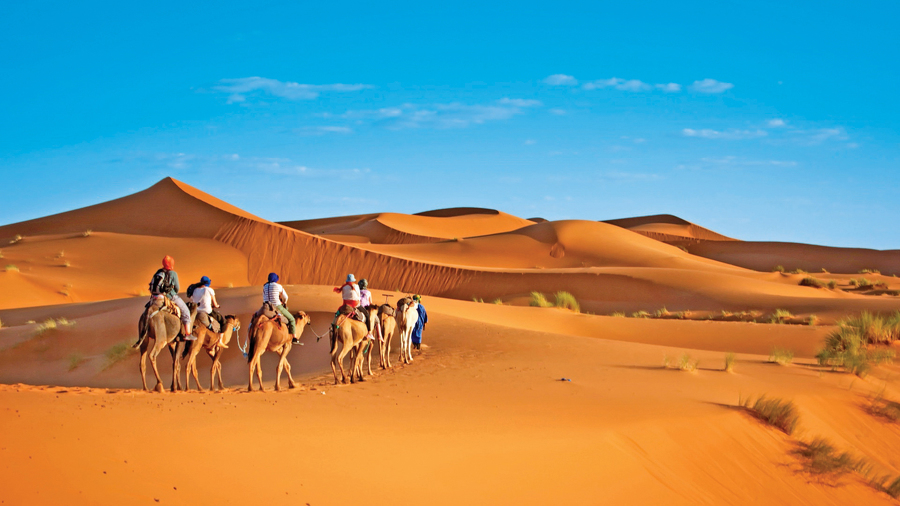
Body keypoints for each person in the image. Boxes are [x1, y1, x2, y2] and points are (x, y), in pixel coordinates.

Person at [150, 255, 192, 339]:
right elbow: (177, 288)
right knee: (186, 311)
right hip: (169, 296)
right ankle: (188, 334)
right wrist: (173, 293)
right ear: (171, 264)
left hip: (154, 296)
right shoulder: (173, 273)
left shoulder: (158, 272)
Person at [263, 273, 299, 344]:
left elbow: (264, 298)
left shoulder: (265, 286)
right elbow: (286, 297)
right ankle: (294, 338)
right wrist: (284, 303)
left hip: (266, 306)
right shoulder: (278, 286)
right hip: (277, 306)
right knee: (291, 319)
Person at [191, 276, 227, 348]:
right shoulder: (209, 290)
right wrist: (217, 306)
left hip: (196, 311)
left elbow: (193, 301)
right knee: (223, 322)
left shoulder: (194, 290)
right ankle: (220, 341)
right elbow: (215, 304)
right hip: (207, 311)